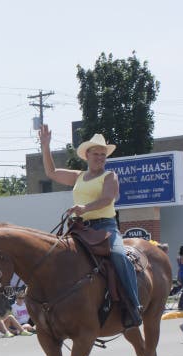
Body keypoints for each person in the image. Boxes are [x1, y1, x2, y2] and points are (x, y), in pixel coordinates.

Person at [39, 125, 143, 327]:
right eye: (96, 153)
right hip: (81, 228)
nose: (100, 157)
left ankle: (133, 305)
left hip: (106, 227)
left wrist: (84, 208)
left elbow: (107, 199)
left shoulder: (109, 176)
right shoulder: (78, 176)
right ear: (87, 155)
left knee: (120, 256)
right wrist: (45, 146)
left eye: (103, 154)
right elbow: (51, 172)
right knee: (57, 254)